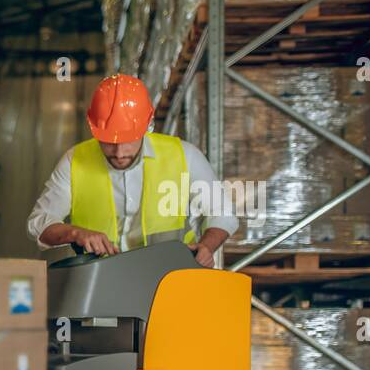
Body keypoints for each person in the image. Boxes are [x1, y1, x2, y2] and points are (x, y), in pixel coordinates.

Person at [27, 73, 238, 267]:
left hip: (170, 278)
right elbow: (38, 223)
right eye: (108, 142)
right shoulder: (75, 161)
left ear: (147, 125)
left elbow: (223, 213)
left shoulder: (185, 156)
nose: (119, 153)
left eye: (128, 141)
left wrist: (207, 246)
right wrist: (75, 232)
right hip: (102, 284)